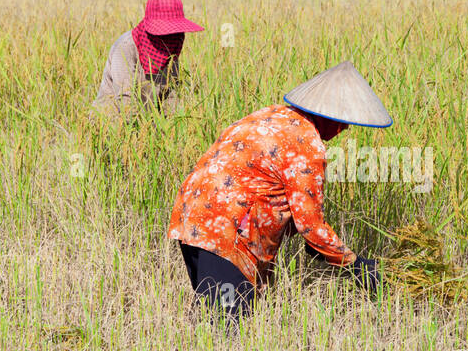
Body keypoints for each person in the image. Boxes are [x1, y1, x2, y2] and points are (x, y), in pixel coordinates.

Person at [168, 60, 392, 322]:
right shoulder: (307, 145)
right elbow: (312, 225)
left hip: (191, 218)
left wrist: (309, 238)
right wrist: (355, 266)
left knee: (214, 320)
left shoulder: (271, 115)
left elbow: (264, 182)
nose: (344, 129)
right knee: (228, 327)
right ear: (325, 115)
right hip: (225, 235)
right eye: (342, 121)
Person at [92, 0, 203, 118]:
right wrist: (138, 134)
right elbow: (126, 100)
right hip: (112, 121)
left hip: (148, 122)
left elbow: (171, 99)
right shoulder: (125, 48)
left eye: (174, 33)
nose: (171, 38)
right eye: (166, 33)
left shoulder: (171, 51)